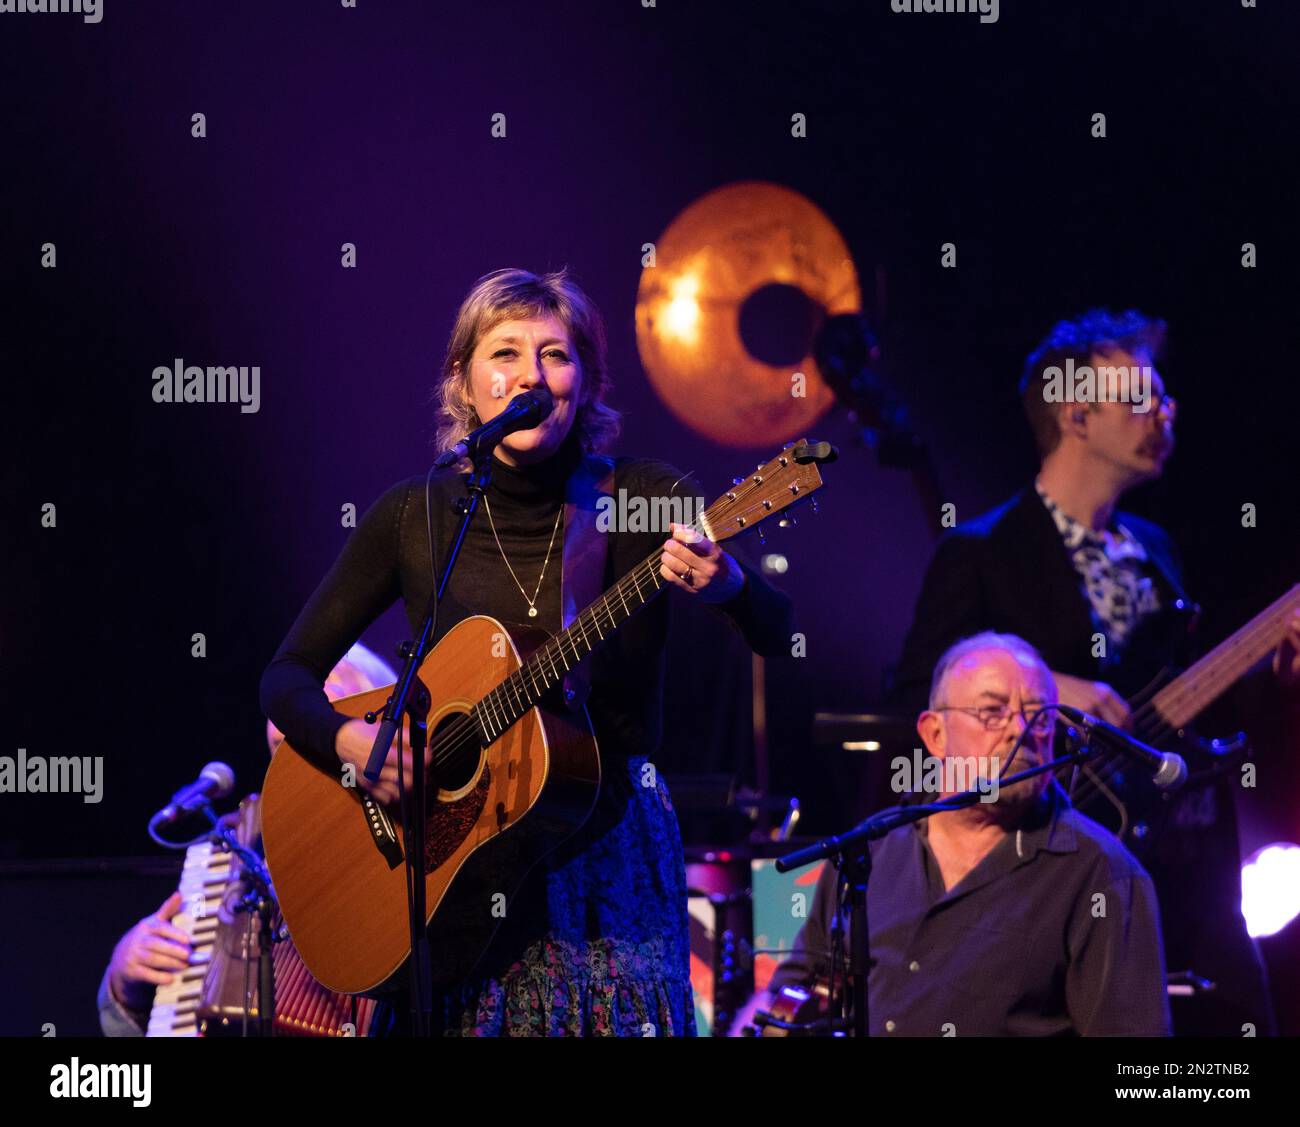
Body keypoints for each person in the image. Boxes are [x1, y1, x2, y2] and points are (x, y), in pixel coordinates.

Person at [258, 267, 794, 1036]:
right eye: (505, 353)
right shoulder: (418, 515)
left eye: (556, 354)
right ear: (463, 381)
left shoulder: (639, 496)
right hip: (448, 863)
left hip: (605, 856)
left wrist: (728, 584)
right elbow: (285, 677)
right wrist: (350, 743)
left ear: (584, 381)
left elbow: (777, 629)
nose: (530, 375)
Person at [889, 309, 1299, 1034]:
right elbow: (911, 699)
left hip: (1189, 858)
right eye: (1145, 396)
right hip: (1054, 867)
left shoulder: (1156, 547)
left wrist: (1277, 675)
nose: (1167, 410)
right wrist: (1050, 686)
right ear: (1078, 414)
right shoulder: (982, 550)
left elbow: (1194, 718)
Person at [756, 632, 1171, 1036]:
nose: (1019, 730)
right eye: (992, 711)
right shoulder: (869, 850)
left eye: (1038, 715)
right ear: (935, 735)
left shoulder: (1102, 874)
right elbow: (793, 994)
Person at [98, 644, 396, 1036]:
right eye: (286, 706)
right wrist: (124, 982)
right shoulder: (241, 839)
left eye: (323, 697)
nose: (295, 719)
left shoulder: (412, 837)